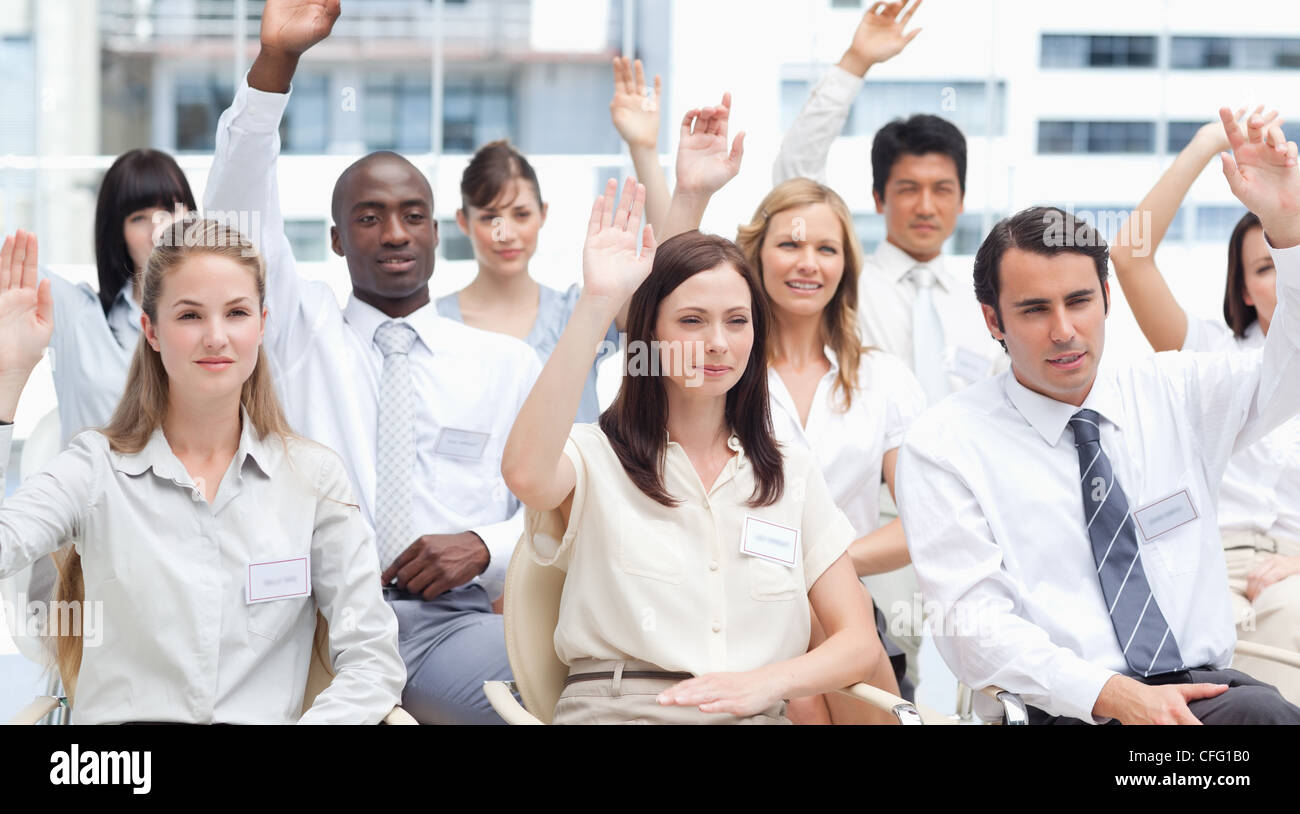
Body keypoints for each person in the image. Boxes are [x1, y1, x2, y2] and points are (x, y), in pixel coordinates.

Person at [895, 109, 1300, 724]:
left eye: (1080, 301)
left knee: (1266, 719)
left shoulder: (1174, 388)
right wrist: (1113, 695)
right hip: (1069, 706)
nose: (1064, 331)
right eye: (1034, 310)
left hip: (1207, 695)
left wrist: (1287, 229)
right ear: (993, 322)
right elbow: (975, 629)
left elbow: (1288, 372)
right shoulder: (946, 444)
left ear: (1107, 298)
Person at [203, 0, 541, 724]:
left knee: (551, 689)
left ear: (436, 232)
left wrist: (487, 546)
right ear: (335, 239)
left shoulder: (504, 365)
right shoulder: (297, 330)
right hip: (308, 616)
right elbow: (233, 218)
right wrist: (276, 65)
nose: (394, 233)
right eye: (369, 216)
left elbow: (561, 510)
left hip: (449, 624)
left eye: (412, 214)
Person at [501, 178, 881, 724]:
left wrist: (765, 684)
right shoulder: (594, 457)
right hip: (621, 712)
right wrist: (599, 302)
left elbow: (858, 643)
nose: (718, 344)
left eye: (737, 321)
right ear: (649, 335)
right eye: (691, 321)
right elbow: (524, 473)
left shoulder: (789, 472)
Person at [0, 222, 405, 724]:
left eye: (236, 313)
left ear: (261, 325)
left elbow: (372, 659)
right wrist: (5, 382)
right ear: (151, 330)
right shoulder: (94, 467)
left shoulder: (313, 477)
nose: (216, 337)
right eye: (189, 315)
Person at [769, 0, 1000, 683]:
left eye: (941, 189)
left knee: (982, 683)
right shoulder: (840, 284)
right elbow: (792, 182)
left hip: (973, 517)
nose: (925, 206)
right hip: (876, 519)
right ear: (877, 198)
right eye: (907, 190)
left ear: (961, 198)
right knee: (888, 676)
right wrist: (855, 63)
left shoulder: (986, 304)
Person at [1110, 109, 1300, 704]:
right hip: (1201, 556)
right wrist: (1201, 148)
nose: (1281, 273)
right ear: (1244, 288)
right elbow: (1129, 255)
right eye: (1264, 266)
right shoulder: (1204, 359)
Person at [2, 148, 197, 664]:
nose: (160, 228)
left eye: (173, 209)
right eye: (139, 217)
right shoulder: (76, 312)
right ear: (117, 233)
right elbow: (14, 271)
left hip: (185, 544)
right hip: (85, 550)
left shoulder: (216, 331)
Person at [435, 140, 619, 423]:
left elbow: (670, 289)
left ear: (542, 214)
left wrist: (644, 152)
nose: (506, 233)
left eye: (521, 215)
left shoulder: (578, 313)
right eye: (489, 218)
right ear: (462, 222)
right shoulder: (435, 325)